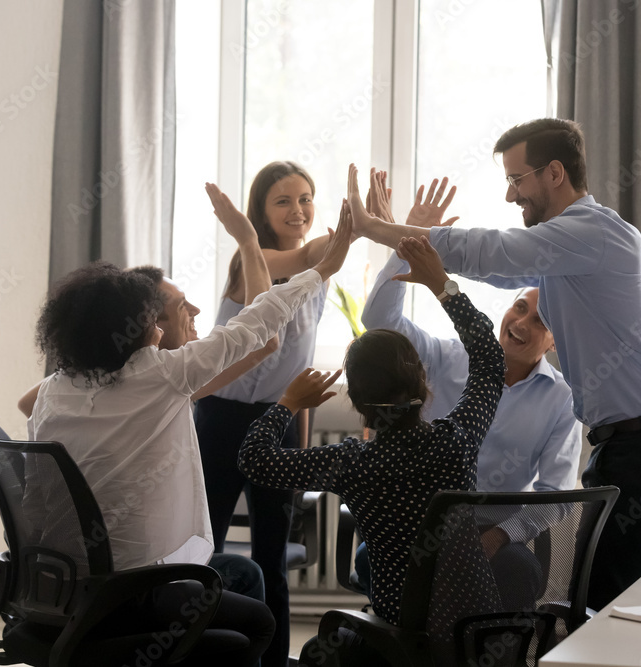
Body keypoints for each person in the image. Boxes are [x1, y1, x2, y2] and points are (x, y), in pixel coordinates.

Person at [346, 118, 641, 611]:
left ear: (554, 172)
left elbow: (491, 249)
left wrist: (379, 230)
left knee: (603, 610)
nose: (512, 195)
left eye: (517, 179)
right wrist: (410, 245)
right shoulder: (567, 257)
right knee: (627, 609)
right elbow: (496, 266)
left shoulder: (592, 232)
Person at [27, 182, 353, 665]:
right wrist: (321, 269)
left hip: (57, 587)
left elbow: (256, 334)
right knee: (255, 622)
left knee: (245, 575)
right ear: (130, 331)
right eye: (153, 322)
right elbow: (256, 323)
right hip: (133, 590)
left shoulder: (56, 388)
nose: (162, 328)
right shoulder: (160, 376)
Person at [237, 235, 505, 666]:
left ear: (358, 404)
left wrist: (287, 404)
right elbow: (491, 360)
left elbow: (253, 458)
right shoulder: (456, 442)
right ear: (422, 380)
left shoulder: (350, 462)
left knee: (313, 654)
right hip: (473, 627)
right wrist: (443, 286)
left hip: (398, 634)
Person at [353, 171, 582, 605]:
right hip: (420, 524)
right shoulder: (448, 357)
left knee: (520, 573)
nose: (520, 323)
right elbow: (379, 322)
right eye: (519, 308)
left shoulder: (562, 399)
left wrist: (500, 535)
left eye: (540, 321)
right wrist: (408, 246)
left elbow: (555, 496)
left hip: (491, 535)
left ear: (556, 340)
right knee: (372, 560)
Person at [194, 161, 352, 667]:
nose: (298, 209)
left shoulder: (315, 274)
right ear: (261, 211)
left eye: (306, 198)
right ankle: (205, 652)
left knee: (272, 558)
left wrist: (359, 225)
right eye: (283, 200)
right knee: (206, 547)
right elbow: (304, 260)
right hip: (220, 419)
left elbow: (321, 256)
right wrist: (241, 232)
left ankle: (272, 660)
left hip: (279, 421)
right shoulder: (251, 259)